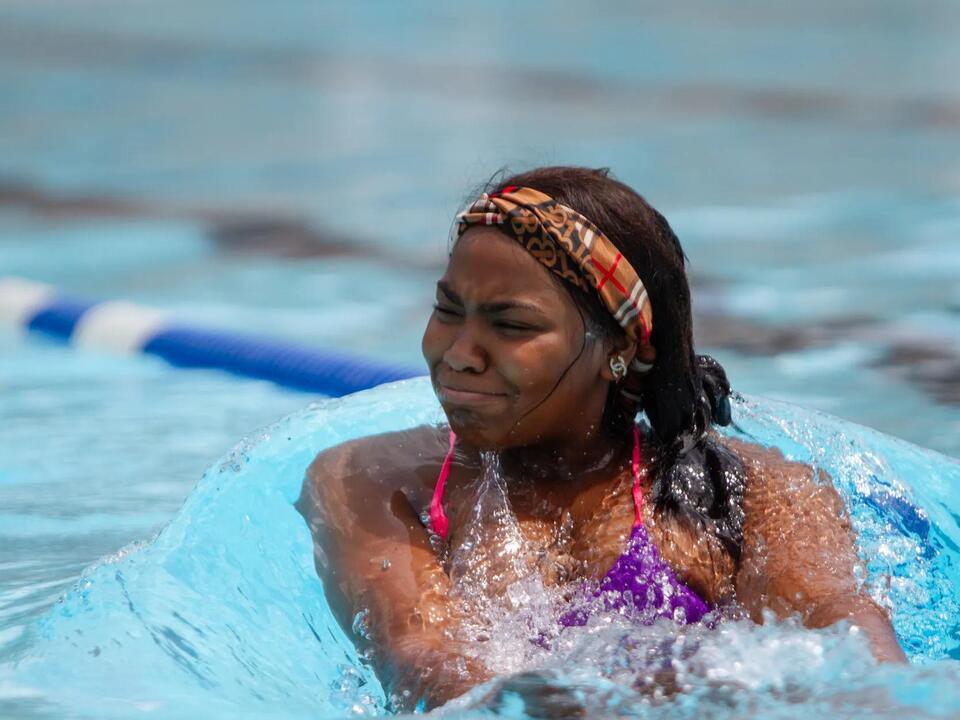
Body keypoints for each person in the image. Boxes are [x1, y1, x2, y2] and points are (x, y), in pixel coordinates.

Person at [297, 166, 905, 712]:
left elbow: (859, 663)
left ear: (621, 350)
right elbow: (417, 659)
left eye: (512, 325)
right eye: (447, 309)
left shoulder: (754, 495)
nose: (458, 354)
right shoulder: (371, 480)